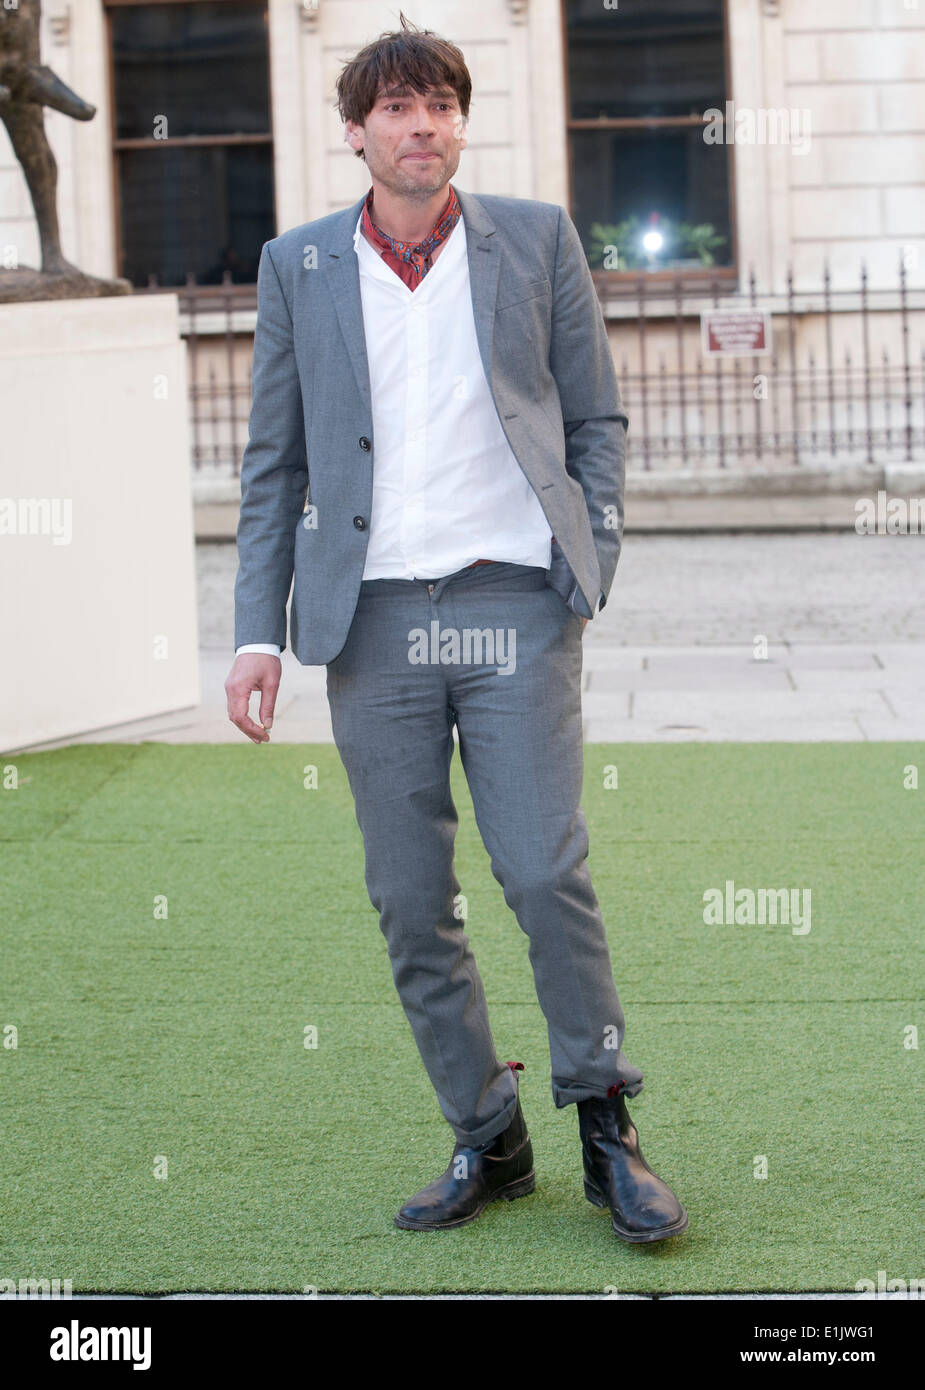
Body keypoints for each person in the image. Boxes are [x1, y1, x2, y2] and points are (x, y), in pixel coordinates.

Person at [225, 13, 687, 1243]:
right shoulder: (299, 266)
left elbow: (595, 417)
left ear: (458, 123)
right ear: (356, 131)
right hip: (368, 621)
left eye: (439, 105)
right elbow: (273, 466)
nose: (419, 125)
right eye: (395, 108)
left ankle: (606, 1128)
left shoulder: (534, 241)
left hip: (511, 603)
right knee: (409, 896)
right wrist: (253, 634)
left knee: (542, 870)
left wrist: (590, 553)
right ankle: (487, 1135)